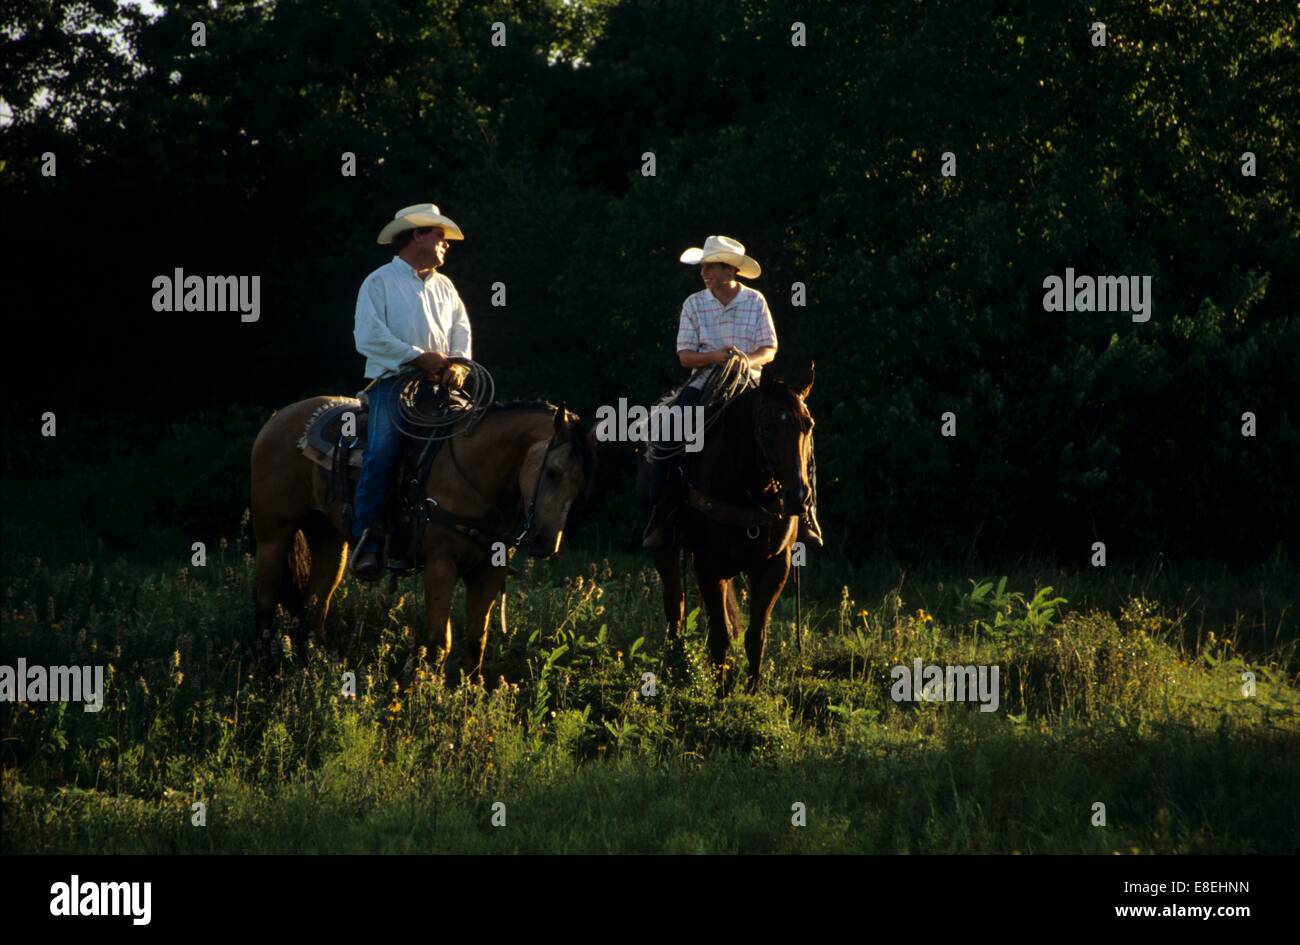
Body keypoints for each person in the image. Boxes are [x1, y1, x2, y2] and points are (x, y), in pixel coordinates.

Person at [642, 235, 823, 550]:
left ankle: (806, 515)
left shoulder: (755, 301)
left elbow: (769, 348)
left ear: (730, 270)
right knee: (671, 425)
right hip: (706, 379)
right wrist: (716, 357)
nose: (704, 272)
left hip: (750, 381)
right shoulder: (694, 304)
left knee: (797, 426)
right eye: (704, 267)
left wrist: (745, 360)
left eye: (711, 266)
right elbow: (685, 356)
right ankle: (661, 515)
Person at [348, 203, 472, 579]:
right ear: (417, 235)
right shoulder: (379, 281)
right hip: (393, 385)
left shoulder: (445, 286)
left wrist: (460, 365)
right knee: (383, 451)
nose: (446, 244)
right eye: (440, 236)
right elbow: (369, 337)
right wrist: (419, 358)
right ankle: (366, 542)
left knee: (478, 440)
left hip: (440, 388)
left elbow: (460, 331)